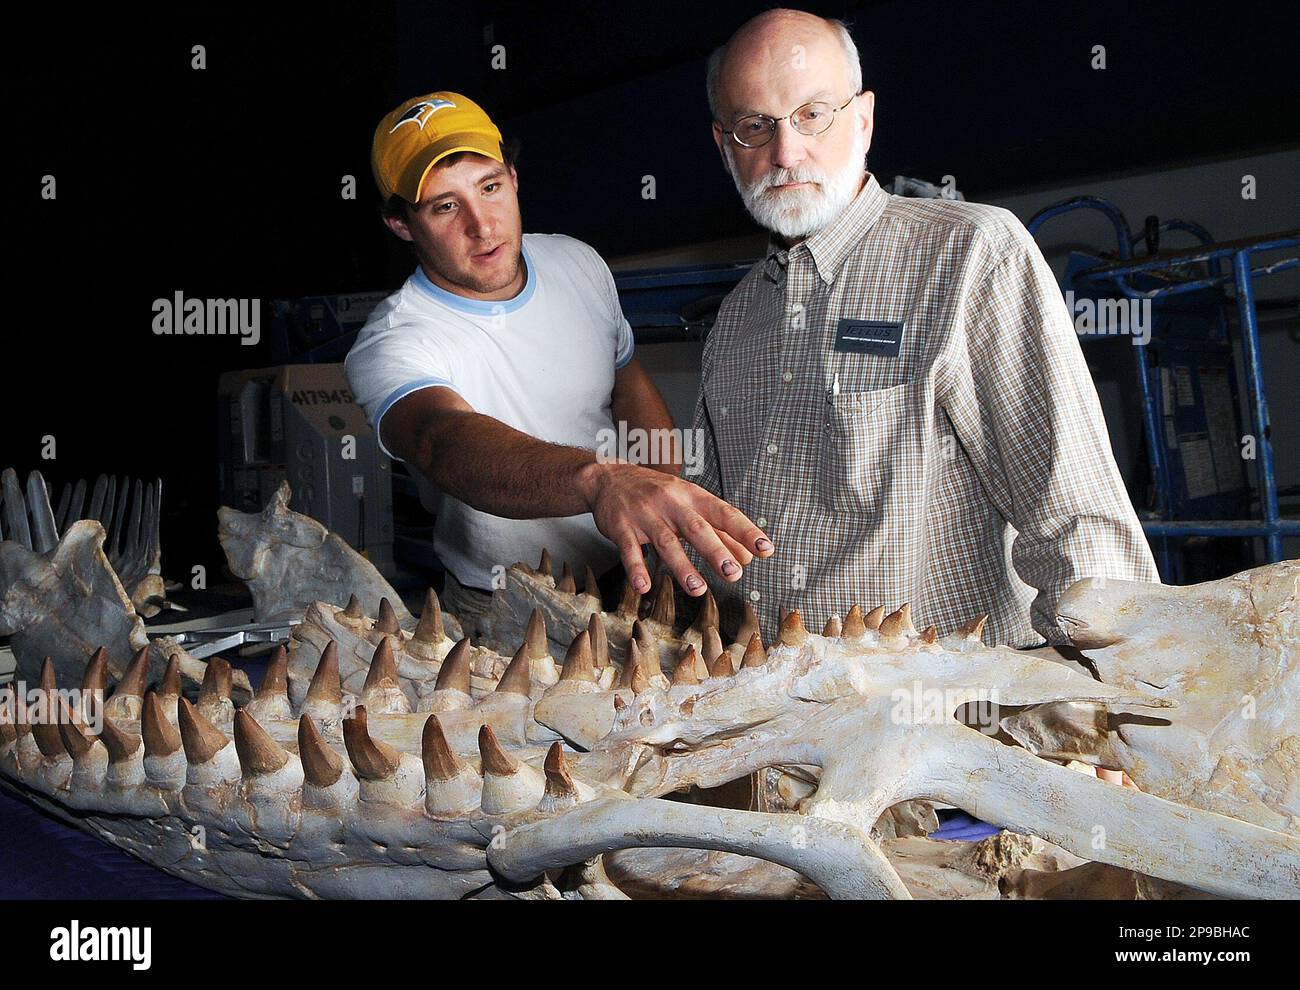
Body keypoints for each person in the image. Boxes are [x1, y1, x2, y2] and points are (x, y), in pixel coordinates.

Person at [691, 10, 1159, 647]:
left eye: (812, 114)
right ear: (725, 146)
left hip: (949, 727)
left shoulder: (971, 255)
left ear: (863, 120)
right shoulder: (734, 322)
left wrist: (1118, 702)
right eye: (756, 126)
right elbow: (710, 534)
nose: (786, 152)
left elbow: (1076, 516)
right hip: (778, 724)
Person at [345, 91, 772, 620]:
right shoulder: (393, 339)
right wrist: (600, 480)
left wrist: (665, 495)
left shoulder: (578, 263)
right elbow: (441, 441)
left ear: (514, 178)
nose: (483, 226)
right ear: (402, 225)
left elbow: (628, 387)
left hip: (626, 582)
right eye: (446, 206)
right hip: (502, 604)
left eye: (491, 187)